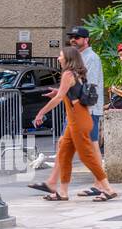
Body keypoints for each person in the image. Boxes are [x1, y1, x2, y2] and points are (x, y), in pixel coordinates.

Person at [30, 47, 116, 201]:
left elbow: (59, 98)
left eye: (60, 55)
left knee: (86, 156)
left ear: (68, 58)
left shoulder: (68, 73)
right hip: (77, 118)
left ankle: (107, 188)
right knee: (64, 153)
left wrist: (41, 113)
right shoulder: (77, 74)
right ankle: (62, 192)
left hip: (78, 120)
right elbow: (71, 94)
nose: (58, 58)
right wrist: (58, 93)